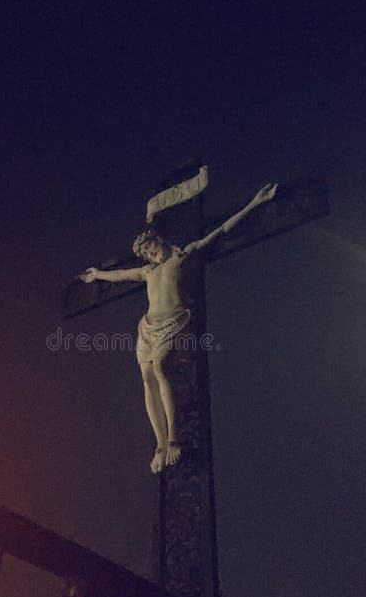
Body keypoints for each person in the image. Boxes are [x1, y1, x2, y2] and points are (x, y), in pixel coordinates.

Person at [82, 183, 277, 472]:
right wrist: (98, 274)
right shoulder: (148, 271)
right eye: (145, 252)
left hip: (174, 321)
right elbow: (121, 275)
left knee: (161, 367)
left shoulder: (184, 256)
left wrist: (254, 203)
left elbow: (221, 231)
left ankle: (174, 439)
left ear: (160, 241)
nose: (149, 253)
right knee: (147, 375)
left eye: (150, 246)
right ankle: (159, 444)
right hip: (148, 326)